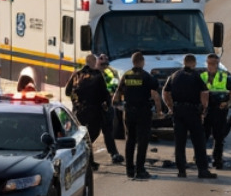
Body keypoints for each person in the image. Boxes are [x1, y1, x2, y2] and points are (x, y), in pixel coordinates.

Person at [162, 54, 216, 179]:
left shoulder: (174, 75)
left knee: (180, 142)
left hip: (178, 112)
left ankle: (181, 170)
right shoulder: (196, 76)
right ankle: (202, 170)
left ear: (184, 62)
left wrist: (171, 107)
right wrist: (203, 110)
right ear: (194, 63)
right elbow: (204, 94)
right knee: (198, 142)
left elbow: (165, 92)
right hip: (193, 112)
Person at [113, 51, 164, 179]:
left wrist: (118, 105)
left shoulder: (126, 75)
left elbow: (117, 94)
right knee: (142, 141)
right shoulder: (146, 76)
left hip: (129, 111)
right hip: (143, 112)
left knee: (130, 140)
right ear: (142, 62)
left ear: (133, 62)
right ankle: (140, 170)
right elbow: (155, 88)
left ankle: (129, 169)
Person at [67, 55, 111, 168]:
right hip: (94, 111)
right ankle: (87, 161)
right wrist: (107, 105)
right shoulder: (97, 75)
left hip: (78, 111)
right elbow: (104, 93)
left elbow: (67, 91)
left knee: (83, 135)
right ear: (94, 62)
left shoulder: (76, 74)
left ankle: (89, 161)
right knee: (91, 135)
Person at [200, 53, 231, 168]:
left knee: (219, 136)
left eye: (214, 64)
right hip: (206, 109)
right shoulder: (202, 76)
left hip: (219, 110)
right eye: (209, 63)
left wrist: (228, 103)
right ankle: (200, 159)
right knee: (202, 136)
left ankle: (217, 160)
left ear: (218, 63)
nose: (211, 66)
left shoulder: (224, 76)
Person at [98, 55, 122, 164]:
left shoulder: (109, 73)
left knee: (108, 131)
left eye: (106, 64)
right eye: (102, 64)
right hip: (93, 108)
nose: (105, 66)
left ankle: (113, 153)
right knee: (91, 134)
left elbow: (113, 87)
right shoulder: (90, 73)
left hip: (105, 106)